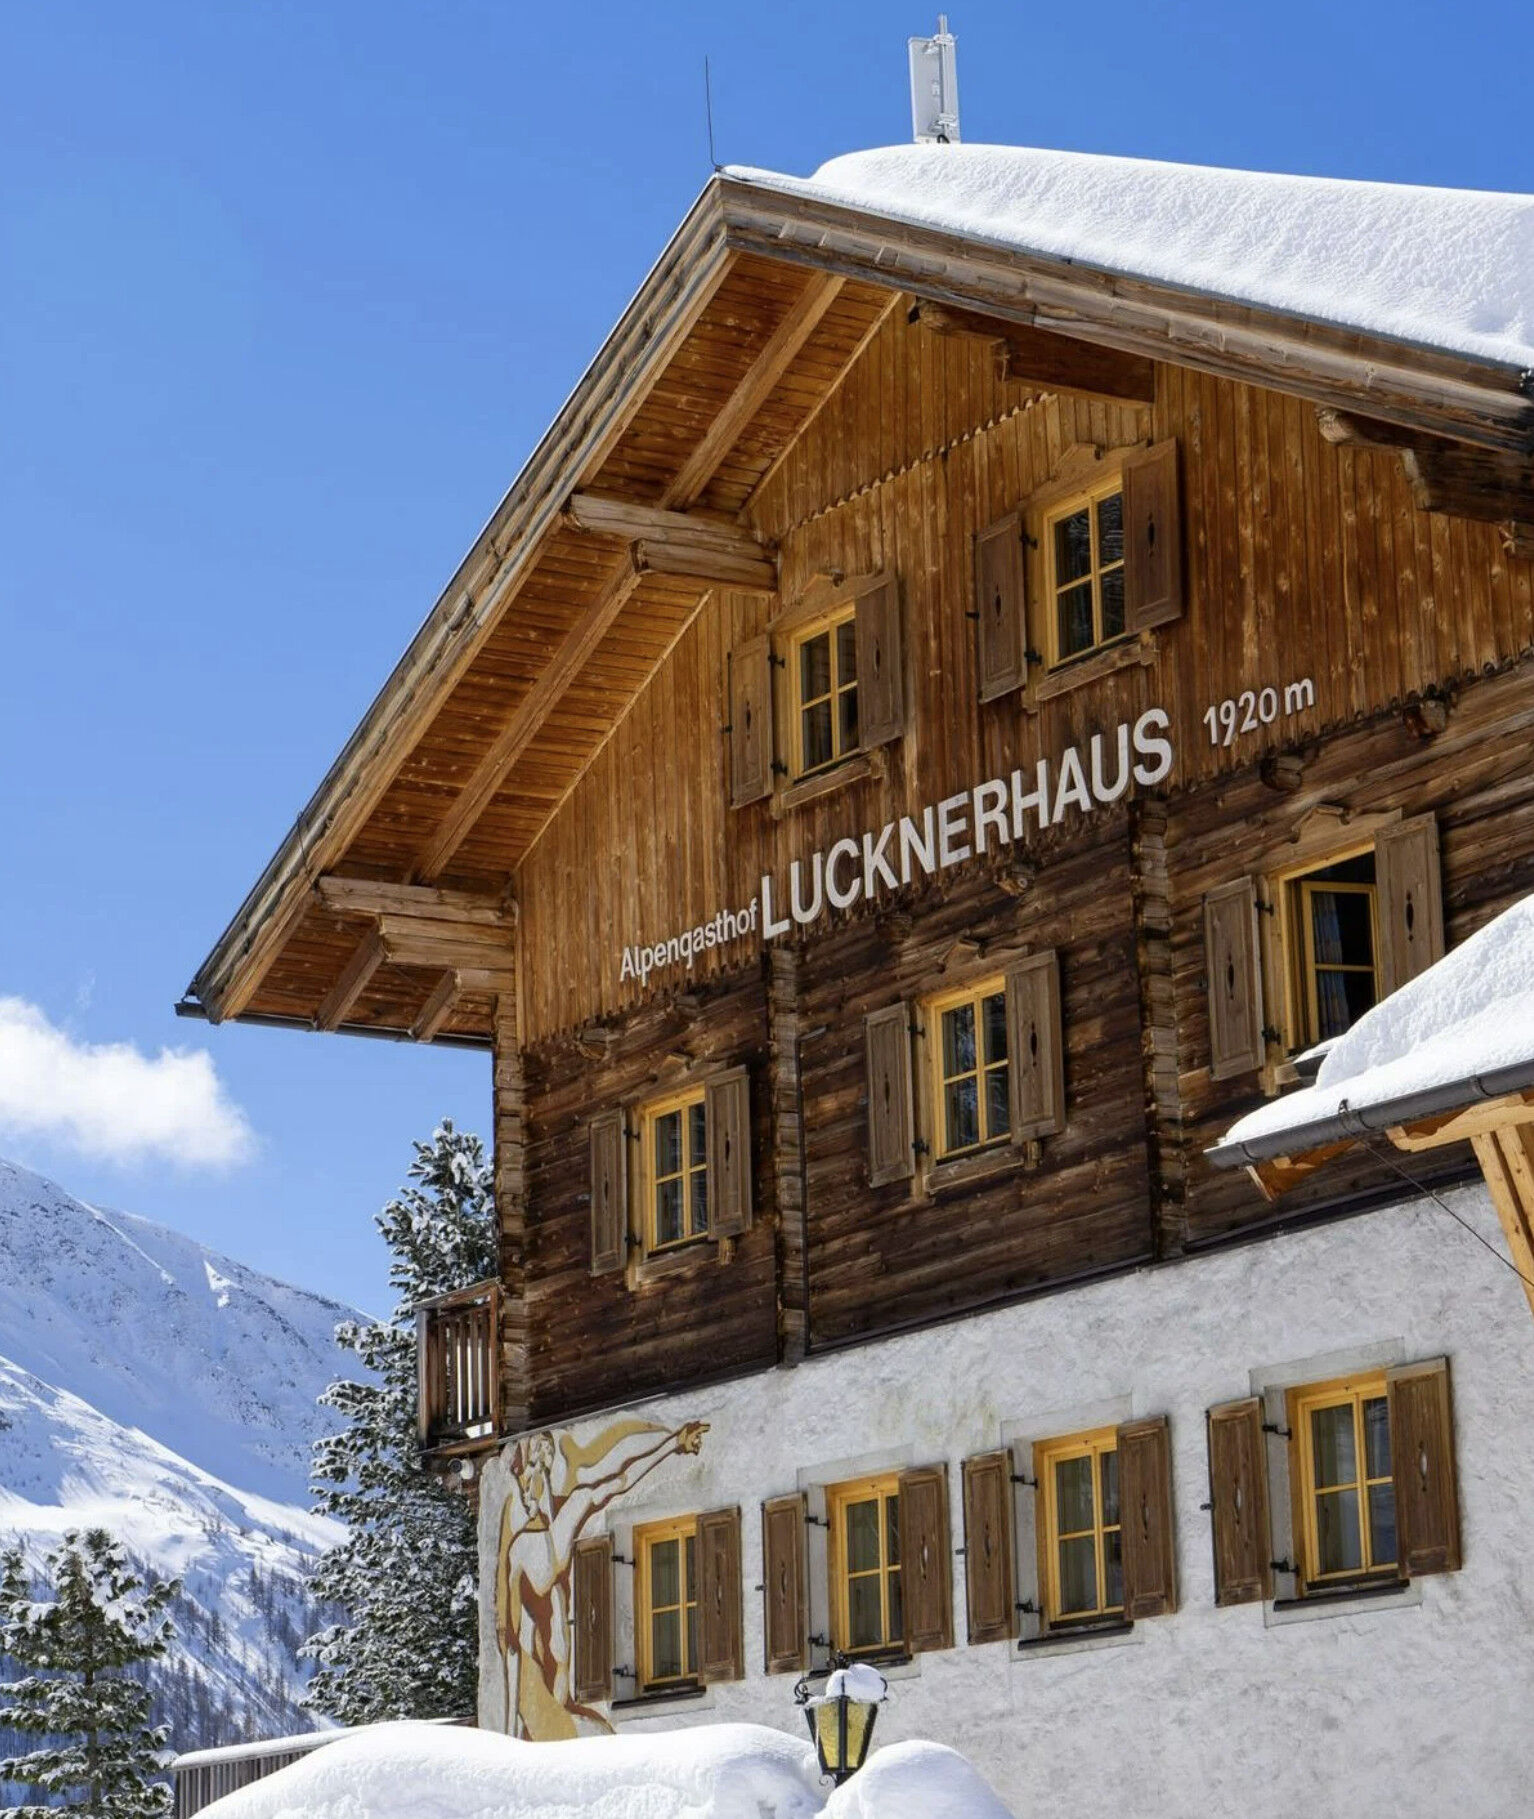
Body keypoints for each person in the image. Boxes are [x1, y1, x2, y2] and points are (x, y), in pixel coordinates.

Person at [493, 1416, 708, 1738]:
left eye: (533, 1473)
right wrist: (506, 1736)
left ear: (548, 1473)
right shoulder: (519, 1549)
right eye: (523, 1477)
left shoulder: (573, 1509)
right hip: (534, 1695)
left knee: (600, 1735)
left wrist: (674, 1444)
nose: (526, 1487)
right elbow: (509, 1643)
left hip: (560, 1691)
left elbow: (620, 1480)